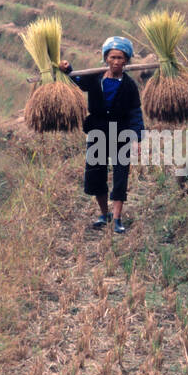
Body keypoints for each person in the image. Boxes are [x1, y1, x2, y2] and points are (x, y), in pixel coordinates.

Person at [58, 36, 145, 233]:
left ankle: (117, 219)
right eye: (112, 57)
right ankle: (103, 214)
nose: (116, 61)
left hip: (121, 132)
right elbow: (76, 80)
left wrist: (138, 138)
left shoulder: (129, 86)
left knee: (121, 173)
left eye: (121, 58)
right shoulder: (95, 78)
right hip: (97, 130)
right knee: (96, 172)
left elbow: (135, 112)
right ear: (106, 58)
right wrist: (67, 68)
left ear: (126, 61)